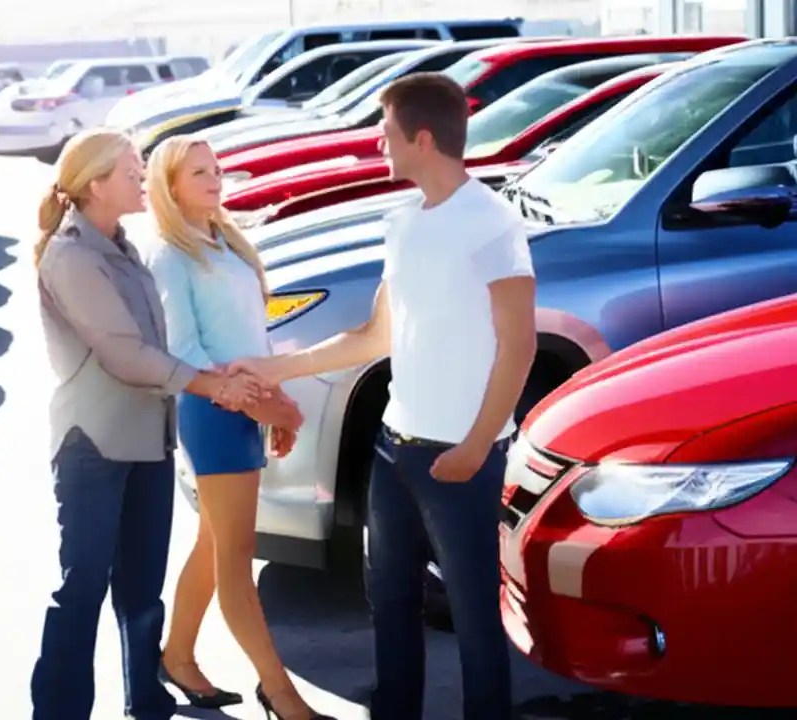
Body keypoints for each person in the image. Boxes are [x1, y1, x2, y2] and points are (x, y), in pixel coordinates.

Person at [230, 73, 537, 720]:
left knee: (476, 616)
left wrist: (477, 447)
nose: (378, 143)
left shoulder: (491, 223)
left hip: (461, 457)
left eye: (386, 132)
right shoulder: (402, 224)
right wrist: (276, 368)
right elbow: (374, 337)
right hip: (395, 449)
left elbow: (519, 347)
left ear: (422, 139)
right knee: (390, 600)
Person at [31, 128, 267, 720]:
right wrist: (212, 385)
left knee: (141, 588)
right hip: (93, 446)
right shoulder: (72, 256)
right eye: (132, 170)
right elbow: (125, 354)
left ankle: (148, 700)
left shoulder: (122, 247)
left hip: (147, 441)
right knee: (83, 587)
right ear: (95, 184)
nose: (143, 177)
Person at [145, 136, 330, 720]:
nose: (214, 179)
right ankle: (279, 691)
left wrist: (276, 399)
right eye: (198, 172)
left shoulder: (225, 239)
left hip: (246, 407)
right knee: (235, 557)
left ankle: (177, 656)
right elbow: (184, 352)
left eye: (216, 168)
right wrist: (259, 406)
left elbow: (250, 337)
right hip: (214, 413)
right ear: (170, 187)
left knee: (214, 543)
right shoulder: (170, 255)